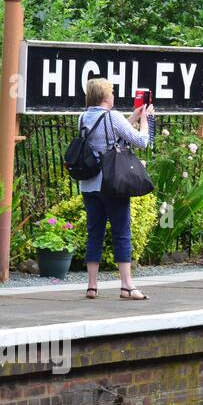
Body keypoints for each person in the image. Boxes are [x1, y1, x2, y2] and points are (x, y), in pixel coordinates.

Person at [78, 78, 153, 300]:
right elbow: (141, 141)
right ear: (104, 96)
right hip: (113, 183)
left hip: (90, 184)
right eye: (111, 93)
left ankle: (92, 286)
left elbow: (108, 134)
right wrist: (146, 120)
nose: (113, 96)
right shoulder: (113, 116)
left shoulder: (82, 118)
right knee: (121, 232)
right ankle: (127, 286)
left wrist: (133, 117)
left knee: (94, 233)